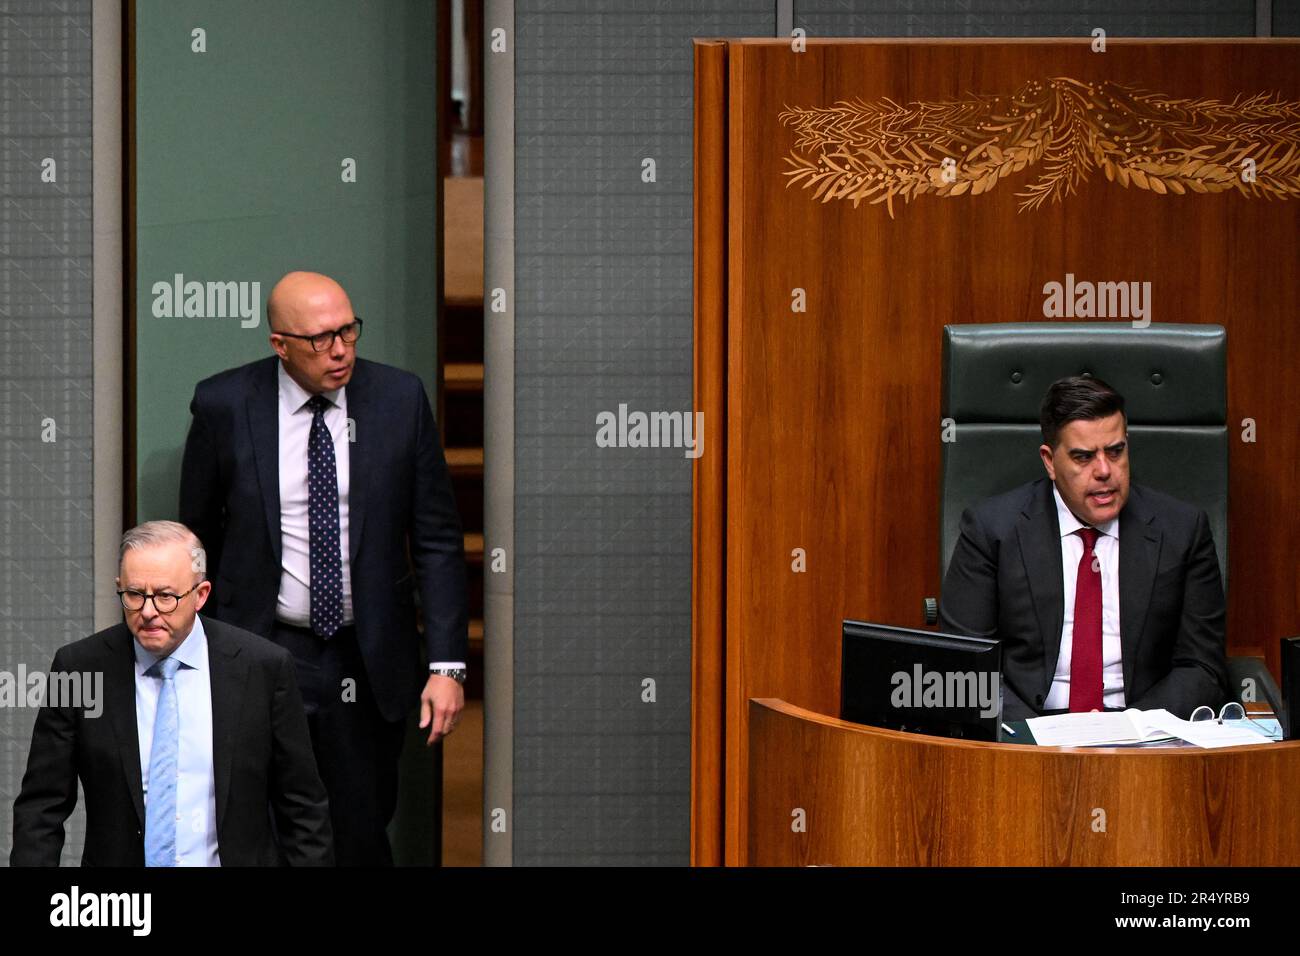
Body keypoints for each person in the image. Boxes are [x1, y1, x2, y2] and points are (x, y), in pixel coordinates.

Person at [178, 270, 467, 865]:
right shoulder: (224, 403)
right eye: (320, 339)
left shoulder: (398, 399)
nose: (340, 351)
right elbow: (196, 538)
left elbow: (437, 539)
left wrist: (447, 665)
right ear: (279, 344)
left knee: (359, 832)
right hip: (262, 647)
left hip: (367, 652)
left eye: (348, 332)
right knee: (258, 833)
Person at [11, 521, 333, 866]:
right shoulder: (78, 668)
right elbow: (41, 808)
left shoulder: (263, 668)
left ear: (201, 595)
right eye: (134, 594)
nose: (148, 612)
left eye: (165, 596)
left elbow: (302, 808)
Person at [939, 375, 1229, 721]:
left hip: (1142, 729)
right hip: (1029, 731)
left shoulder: (1183, 530)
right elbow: (966, 667)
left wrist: (1130, 729)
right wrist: (1032, 738)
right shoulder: (992, 530)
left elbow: (1202, 667)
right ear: (1050, 461)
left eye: (1116, 451)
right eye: (1083, 457)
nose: (1104, 470)